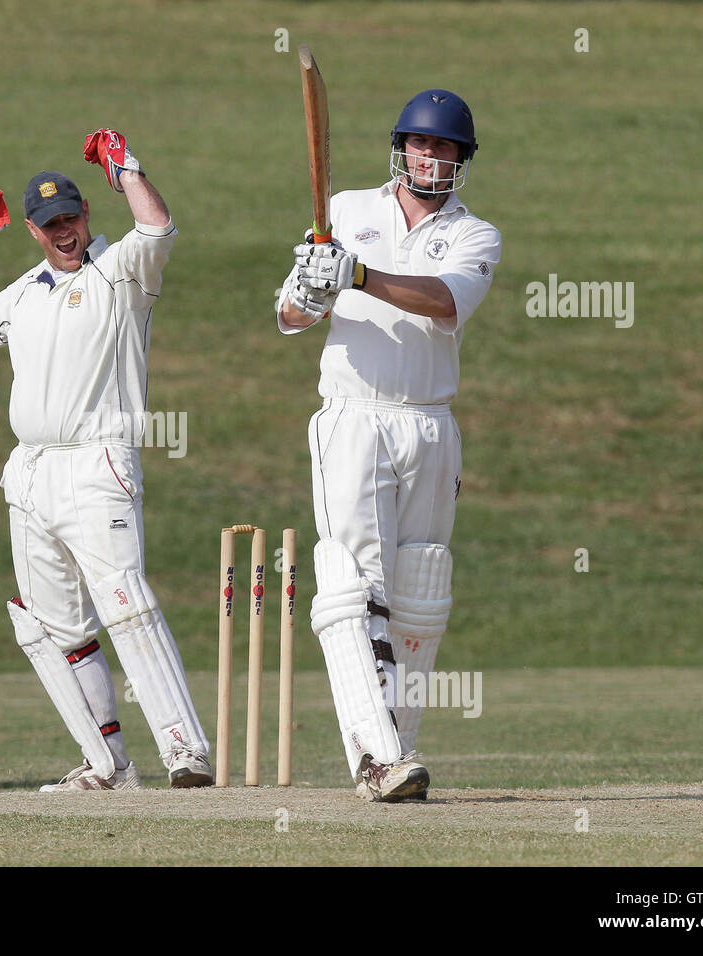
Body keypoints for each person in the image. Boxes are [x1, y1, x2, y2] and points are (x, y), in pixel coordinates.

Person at [0, 129, 212, 791]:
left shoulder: (120, 270)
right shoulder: (25, 291)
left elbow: (161, 230)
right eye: (49, 224)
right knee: (58, 623)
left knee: (125, 602)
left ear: (87, 216)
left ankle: (186, 752)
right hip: (30, 473)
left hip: (97, 463)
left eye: (71, 219)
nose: (63, 231)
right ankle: (109, 765)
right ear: (33, 230)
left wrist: (127, 169)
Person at [275, 90, 502, 801]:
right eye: (421, 144)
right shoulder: (345, 209)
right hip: (353, 416)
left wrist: (359, 274)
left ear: (462, 161)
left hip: (430, 422)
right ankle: (376, 758)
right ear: (400, 147)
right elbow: (287, 313)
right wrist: (312, 292)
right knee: (353, 584)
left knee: (420, 590)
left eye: (446, 149)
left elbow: (443, 301)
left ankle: (397, 750)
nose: (431, 158)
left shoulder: (476, 235)